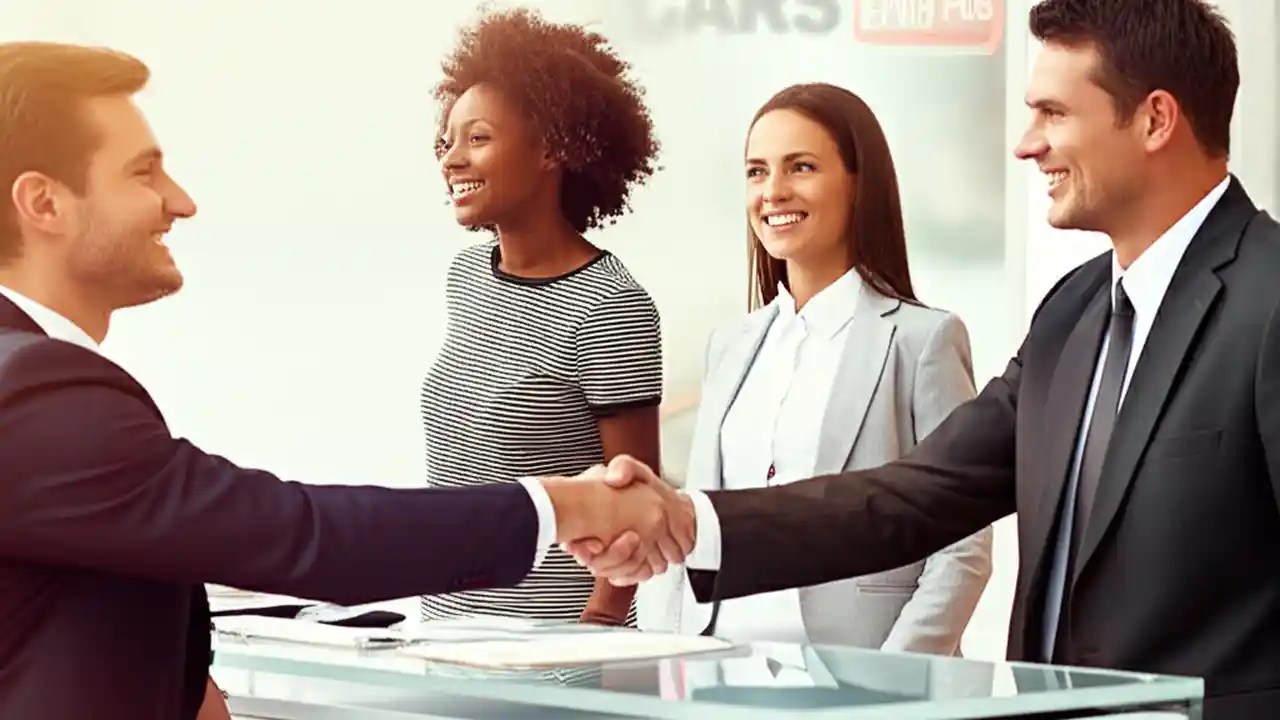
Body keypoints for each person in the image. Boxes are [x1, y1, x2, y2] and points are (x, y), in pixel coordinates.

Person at [577, 1, 1280, 716]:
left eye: (1054, 114)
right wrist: (690, 522)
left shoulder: (1271, 299)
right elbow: (912, 495)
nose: (1026, 144)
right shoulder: (1073, 313)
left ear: (1156, 120)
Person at [0, 41, 686, 720]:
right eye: (144, 173)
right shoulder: (32, 393)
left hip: (549, 650)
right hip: (462, 633)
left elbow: (105, 574)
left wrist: (186, 688)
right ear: (44, 204)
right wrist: (567, 506)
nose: (182, 202)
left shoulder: (609, 303)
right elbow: (300, 535)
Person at [639, 83, 991, 653]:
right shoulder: (730, 346)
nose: (773, 191)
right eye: (756, 172)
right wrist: (660, 654)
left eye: (800, 167)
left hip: (859, 679)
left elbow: (963, 545)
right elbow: (688, 523)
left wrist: (896, 680)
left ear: (858, 183)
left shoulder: (922, 342)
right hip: (718, 671)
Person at [421, 7, 664, 629]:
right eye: (447, 142)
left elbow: (635, 502)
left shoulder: (612, 304)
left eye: (477, 138)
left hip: (554, 643)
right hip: (443, 633)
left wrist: (597, 635)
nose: (452, 159)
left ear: (553, 146)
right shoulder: (466, 278)